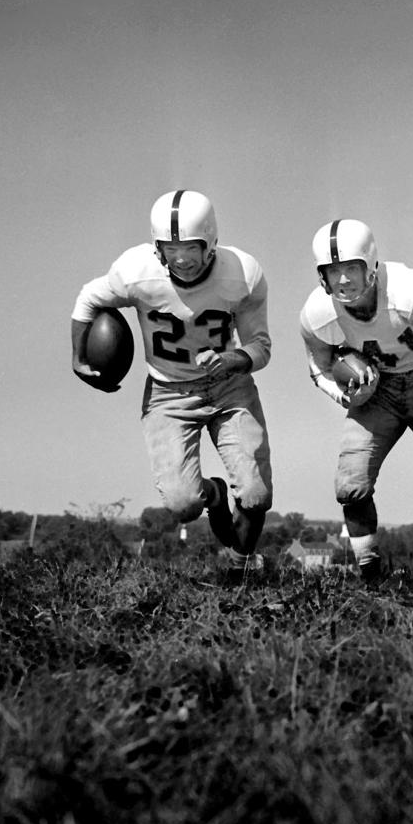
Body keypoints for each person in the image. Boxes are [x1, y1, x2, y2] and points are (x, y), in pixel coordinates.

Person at [71, 189, 273, 582]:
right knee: (183, 504)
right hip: (168, 391)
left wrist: (231, 358)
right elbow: (88, 299)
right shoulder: (136, 271)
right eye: (170, 248)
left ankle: (240, 568)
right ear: (156, 247)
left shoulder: (241, 274)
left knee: (255, 493)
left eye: (191, 249)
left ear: (211, 243)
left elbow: (260, 347)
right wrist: (78, 357)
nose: (181, 258)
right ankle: (213, 494)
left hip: (229, 386)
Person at [300, 218, 413, 585]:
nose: (344, 280)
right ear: (322, 276)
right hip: (377, 392)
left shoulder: (412, 291)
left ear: (372, 267)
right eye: (333, 272)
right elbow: (318, 370)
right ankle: (370, 571)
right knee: (350, 486)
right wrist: (345, 394)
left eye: (351, 268)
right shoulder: (317, 314)